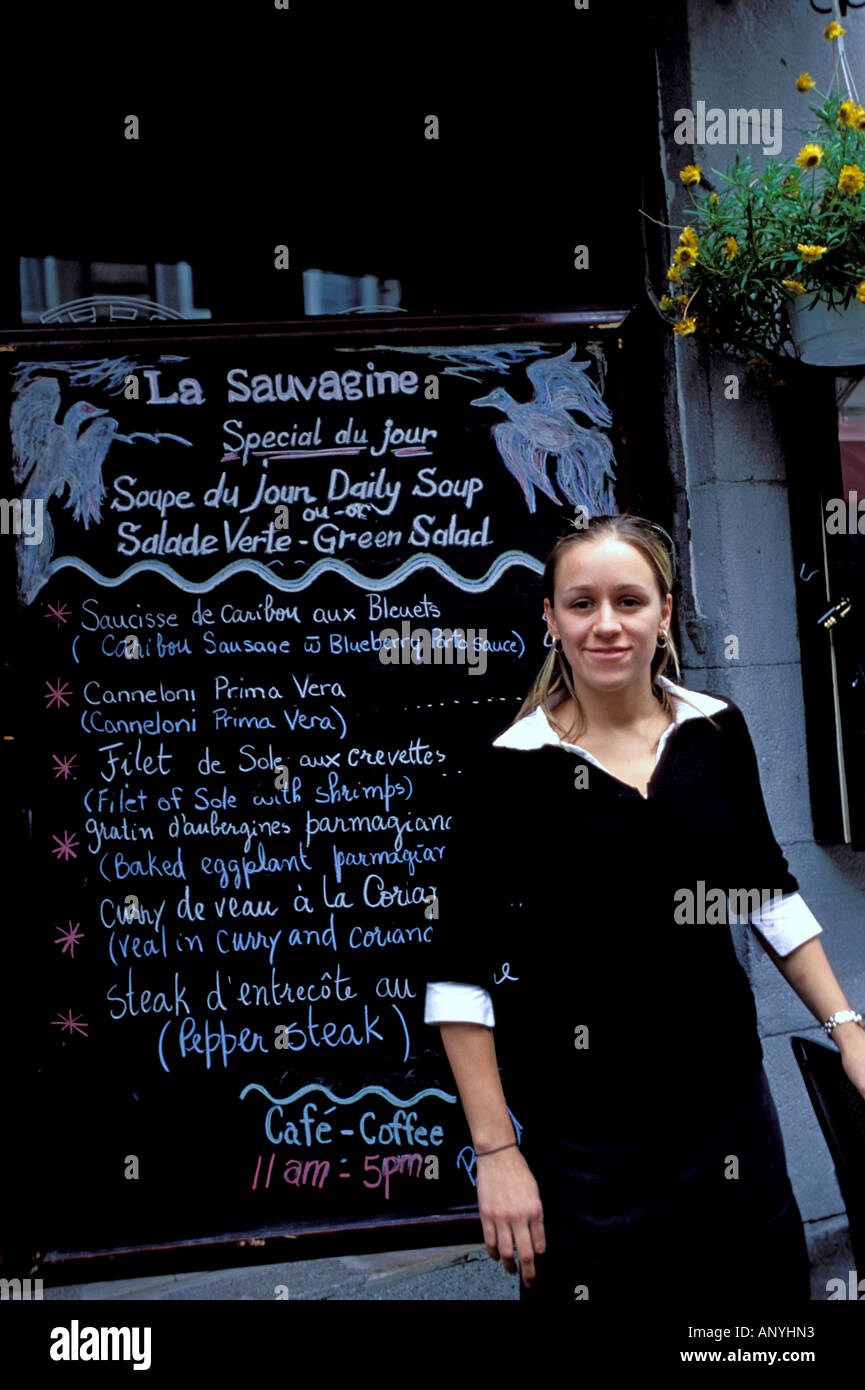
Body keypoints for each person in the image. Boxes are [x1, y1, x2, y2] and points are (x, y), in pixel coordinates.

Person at [424, 513, 865, 1303]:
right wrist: (495, 1153)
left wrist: (846, 1028)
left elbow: (764, 892)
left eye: (628, 601)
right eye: (580, 603)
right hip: (588, 1147)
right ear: (550, 619)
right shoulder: (508, 770)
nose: (605, 625)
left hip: (730, 1122)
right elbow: (458, 975)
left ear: (663, 613)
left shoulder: (716, 732)